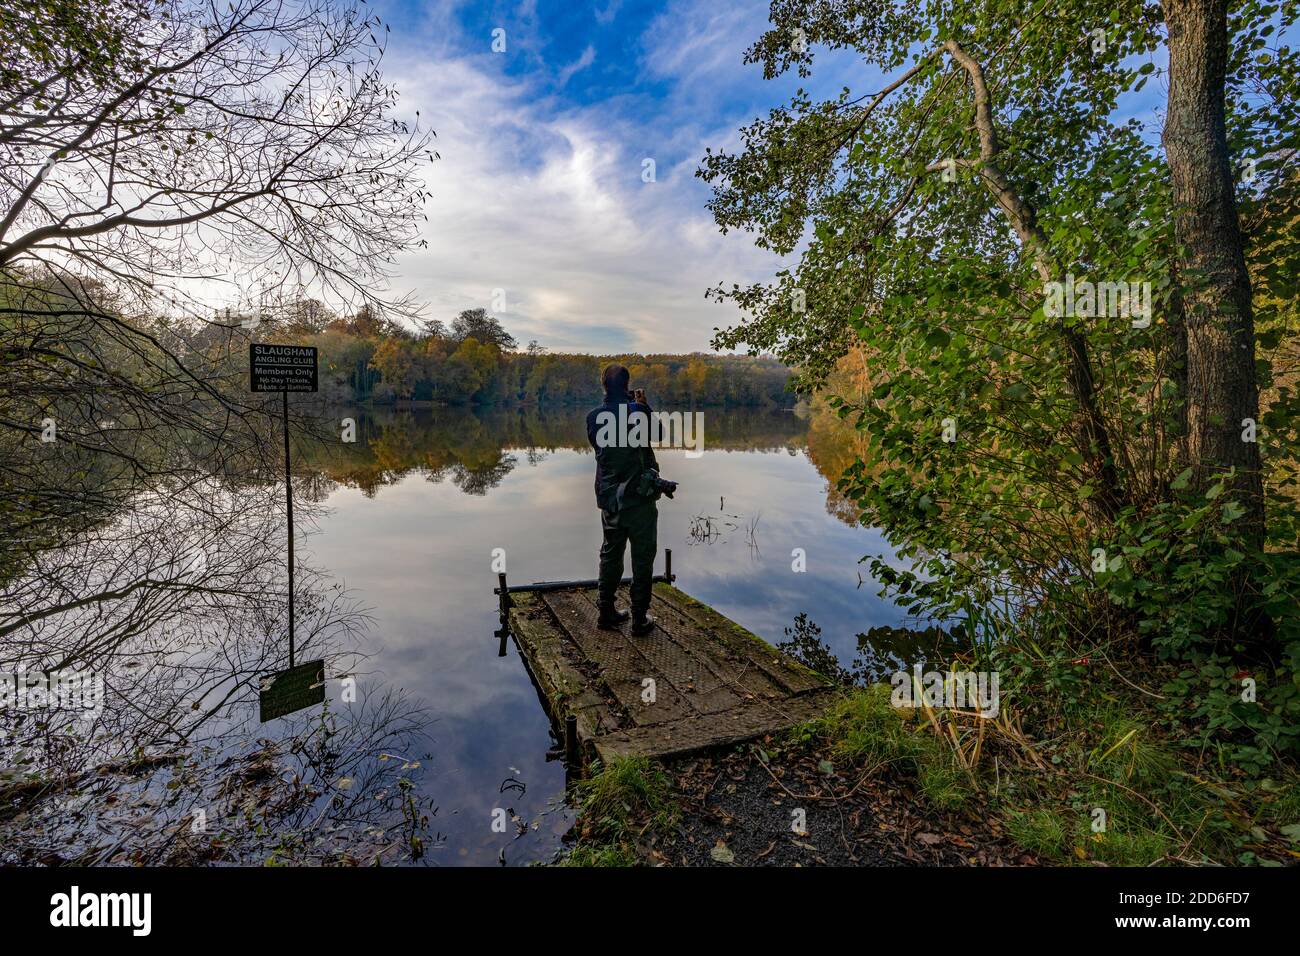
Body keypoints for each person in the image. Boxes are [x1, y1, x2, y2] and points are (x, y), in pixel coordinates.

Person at [586, 364, 660, 635]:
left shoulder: (594, 417)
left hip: (610, 498)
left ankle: (606, 612)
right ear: (627, 386)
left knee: (610, 553)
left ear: (604, 386)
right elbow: (659, 435)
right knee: (642, 557)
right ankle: (639, 619)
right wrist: (642, 406)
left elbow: (603, 449)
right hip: (638, 498)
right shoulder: (637, 412)